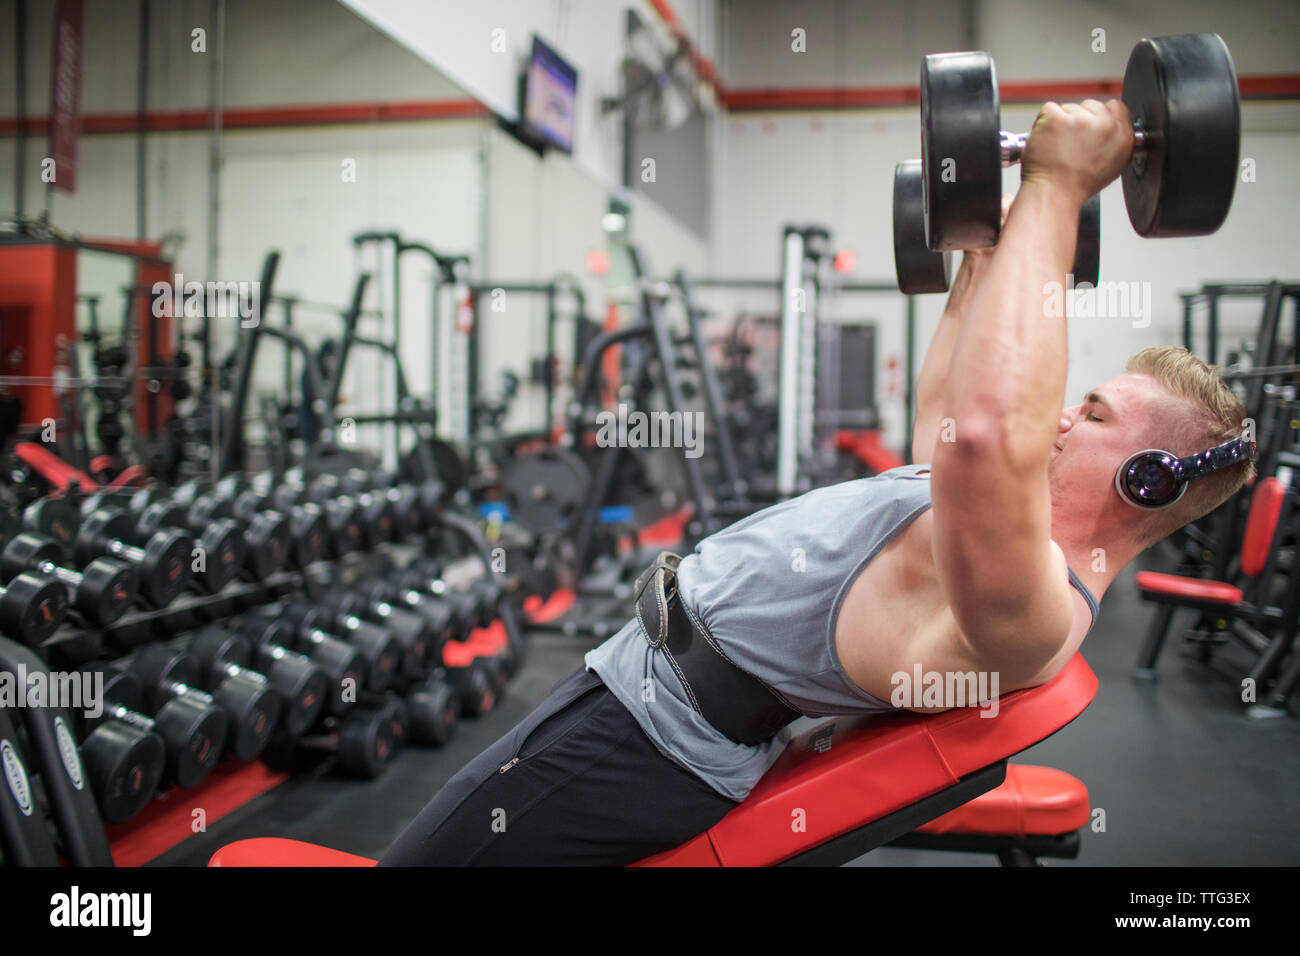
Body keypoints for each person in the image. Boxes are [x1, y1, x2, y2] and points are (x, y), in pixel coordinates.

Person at [379, 97, 1254, 866]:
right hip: (640, 704)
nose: (1064, 415)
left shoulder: (1034, 613)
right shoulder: (997, 536)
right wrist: (988, 240)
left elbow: (987, 435)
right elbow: (951, 413)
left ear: (1147, 482)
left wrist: (1058, 189)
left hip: (641, 741)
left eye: (1095, 415)